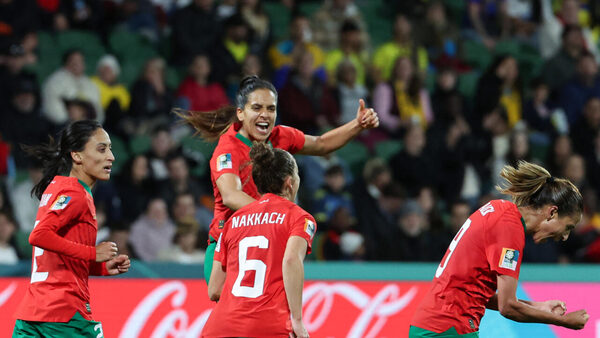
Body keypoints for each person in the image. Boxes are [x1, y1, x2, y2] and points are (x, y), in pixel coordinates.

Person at [176, 75, 378, 283]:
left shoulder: (279, 136)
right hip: (228, 247)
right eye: (257, 108)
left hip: (266, 243)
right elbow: (231, 195)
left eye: (271, 109)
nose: (265, 115)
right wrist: (277, 216)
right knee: (231, 308)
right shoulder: (227, 150)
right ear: (241, 113)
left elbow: (321, 143)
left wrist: (358, 125)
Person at [409, 161, 589, 337]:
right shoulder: (510, 230)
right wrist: (563, 322)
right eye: (567, 227)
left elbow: (477, 292)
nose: (565, 237)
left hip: (434, 324)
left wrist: (538, 306)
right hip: (449, 327)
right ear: (552, 213)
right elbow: (508, 307)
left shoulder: (499, 209)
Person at [13, 120, 131, 336]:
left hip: (34, 313)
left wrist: (100, 268)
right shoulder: (75, 194)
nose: (111, 157)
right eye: (101, 149)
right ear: (77, 156)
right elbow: (39, 236)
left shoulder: (57, 189)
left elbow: (54, 256)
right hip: (64, 314)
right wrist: (93, 253)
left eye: (111, 149)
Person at [202, 142, 314, 338]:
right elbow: (291, 260)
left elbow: (214, 290)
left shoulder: (232, 221)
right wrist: (297, 320)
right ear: (290, 182)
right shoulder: (299, 218)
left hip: (219, 328)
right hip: (268, 326)